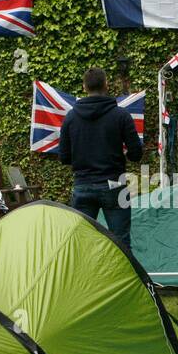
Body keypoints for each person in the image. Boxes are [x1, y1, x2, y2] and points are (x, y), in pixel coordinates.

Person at [58, 67, 143, 248]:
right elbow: (136, 153)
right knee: (120, 241)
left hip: (83, 185)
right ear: (106, 85)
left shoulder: (71, 118)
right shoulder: (121, 115)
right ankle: (122, 276)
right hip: (114, 185)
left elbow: (64, 157)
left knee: (80, 242)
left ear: (84, 87)